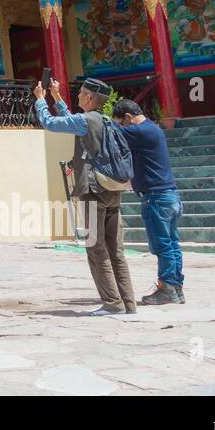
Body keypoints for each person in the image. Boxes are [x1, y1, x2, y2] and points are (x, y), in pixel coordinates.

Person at [33, 78, 136, 316]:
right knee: (116, 250)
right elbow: (71, 118)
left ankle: (112, 303)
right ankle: (128, 302)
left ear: (88, 97)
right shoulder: (105, 120)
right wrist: (57, 98)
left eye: (80, 93)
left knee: (96, 248)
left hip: (92, 191)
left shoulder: (85, 121)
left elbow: (50, 123)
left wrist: (40, 100)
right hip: (111, 189)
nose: (77, 96)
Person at [112, 99, 185, 306]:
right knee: (172, 244)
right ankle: (176, 287)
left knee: (163, 246)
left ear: (127, 117)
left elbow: (110, 131)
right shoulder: (153, 128)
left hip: (156, 198)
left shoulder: (139, 131)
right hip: (169, 195)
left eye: (122, 122)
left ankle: (167, 289)